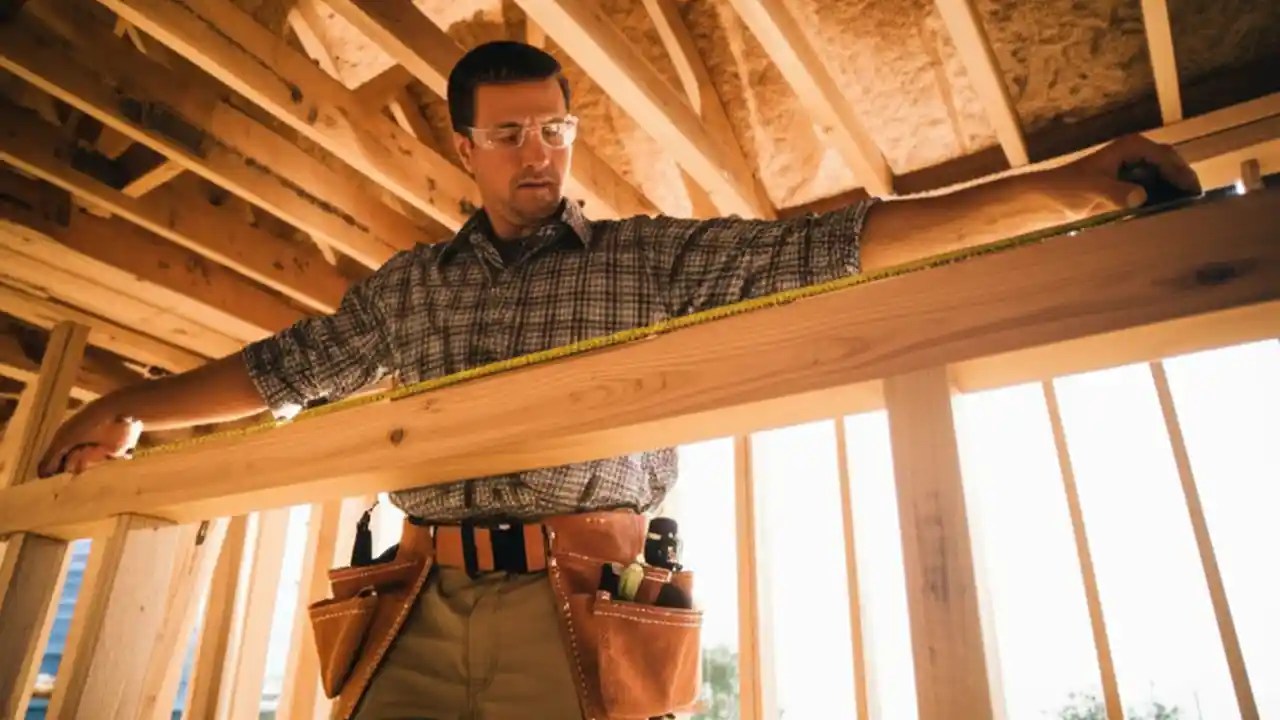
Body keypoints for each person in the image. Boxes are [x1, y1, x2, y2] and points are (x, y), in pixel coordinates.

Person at [38, 41, 1199, 719]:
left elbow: (838, 242)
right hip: (414, 608)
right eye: (509, 135)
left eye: (556, 129)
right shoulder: (409, 288)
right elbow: (283, 368)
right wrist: (122, 406)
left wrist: (1069, 185)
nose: (539, 153)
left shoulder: (646, 259)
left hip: (588, 602)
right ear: (463, 148)